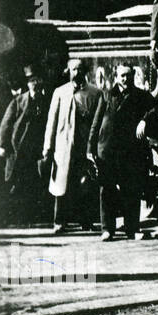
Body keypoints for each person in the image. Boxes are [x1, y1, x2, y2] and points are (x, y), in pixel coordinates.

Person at [87, 64, 158, 241]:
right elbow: (96, 124)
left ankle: (132, 229)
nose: (125, 79)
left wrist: (144, 121)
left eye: (128, 75)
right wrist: (90, 149)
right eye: (121, 76)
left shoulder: (140, 96)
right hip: (108, 149)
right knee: (107, 190)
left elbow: (155, 108)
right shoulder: (106, 95)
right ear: (116, 77)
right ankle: (107, 229)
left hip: (130, 151)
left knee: (131, 190)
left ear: (132, 75)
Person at [42, 58, 103, 234]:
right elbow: (51, 122)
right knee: (60, 186)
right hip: (63, 146)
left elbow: (97, 123)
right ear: (68, 72)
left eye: (79, 69)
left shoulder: (94, 93)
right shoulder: (60, 92)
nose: (76, 73)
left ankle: (87, 221)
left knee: (86, 184)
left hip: (85, 148)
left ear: (85, 71)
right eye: (73, 70)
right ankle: (59, 222)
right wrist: (47, 147)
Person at [0, 66, 50, 225]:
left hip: (35, 151)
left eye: (37, 80)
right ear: (27, 84)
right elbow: (6, 124)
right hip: (17, 150)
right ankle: (12, 216)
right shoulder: (19, 101)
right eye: (31, 81)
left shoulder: (45, 102)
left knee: (34, 183)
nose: (35, 83)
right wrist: (2, 144)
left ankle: (30, 216)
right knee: (15, 182)